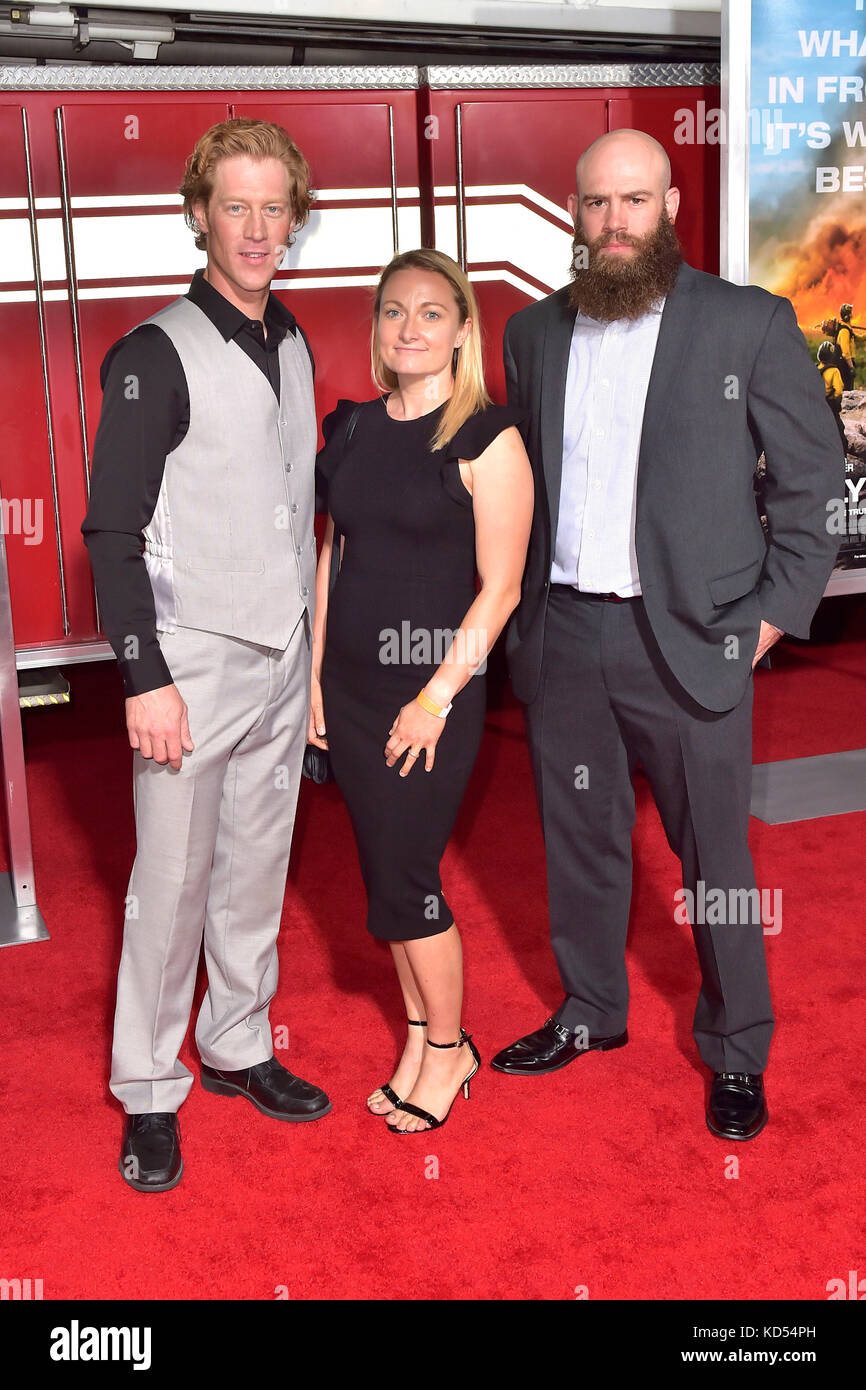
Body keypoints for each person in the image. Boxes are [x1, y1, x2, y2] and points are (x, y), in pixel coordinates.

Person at [494, 128, 844, 1141]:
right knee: (580, 843)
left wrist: (769, 621)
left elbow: (813, 486)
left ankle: (737, 1048)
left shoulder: (745, 324)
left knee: (715, 869)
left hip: (693, 641)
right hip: (564, 637)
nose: (611, 223)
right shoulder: (532, 332)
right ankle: (590, 1010)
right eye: (594, 204)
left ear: (670, 207)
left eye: (632, 202)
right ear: (575, 212)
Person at [82, 118, 331, 1193]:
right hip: (190, 666)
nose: (257, 227)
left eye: (275, 206)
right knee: (169, 884)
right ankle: (146, 1087)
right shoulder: (152, 356)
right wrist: (145, 677)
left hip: (281, 656)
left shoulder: (296, 339)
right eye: (236, 204)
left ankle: (236, 1042)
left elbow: (298, 504)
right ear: (197, 215)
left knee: (253, 866)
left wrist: (312, 661)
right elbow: (108, 532)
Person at [311, 248, 533, 1133]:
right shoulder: (354, 429)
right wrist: (317, 679)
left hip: (429, 697)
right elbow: (337, 553)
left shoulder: (488, 437)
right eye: (394, 311)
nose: (411, 328)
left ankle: (450, 1048)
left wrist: (435, 697)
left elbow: (502, 589)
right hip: (352, 688)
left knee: (408, 881)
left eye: (432, 313)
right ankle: (416, 1032)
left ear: (461, 330)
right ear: (376, 327)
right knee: (384, 878)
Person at [817, 339, 847, 449]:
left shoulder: (815, 368)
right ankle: (843, 459)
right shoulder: (834, 371)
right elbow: (838, 390)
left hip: (816, 404)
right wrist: (835, 402)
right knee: (839, 431)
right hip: (829, 404)